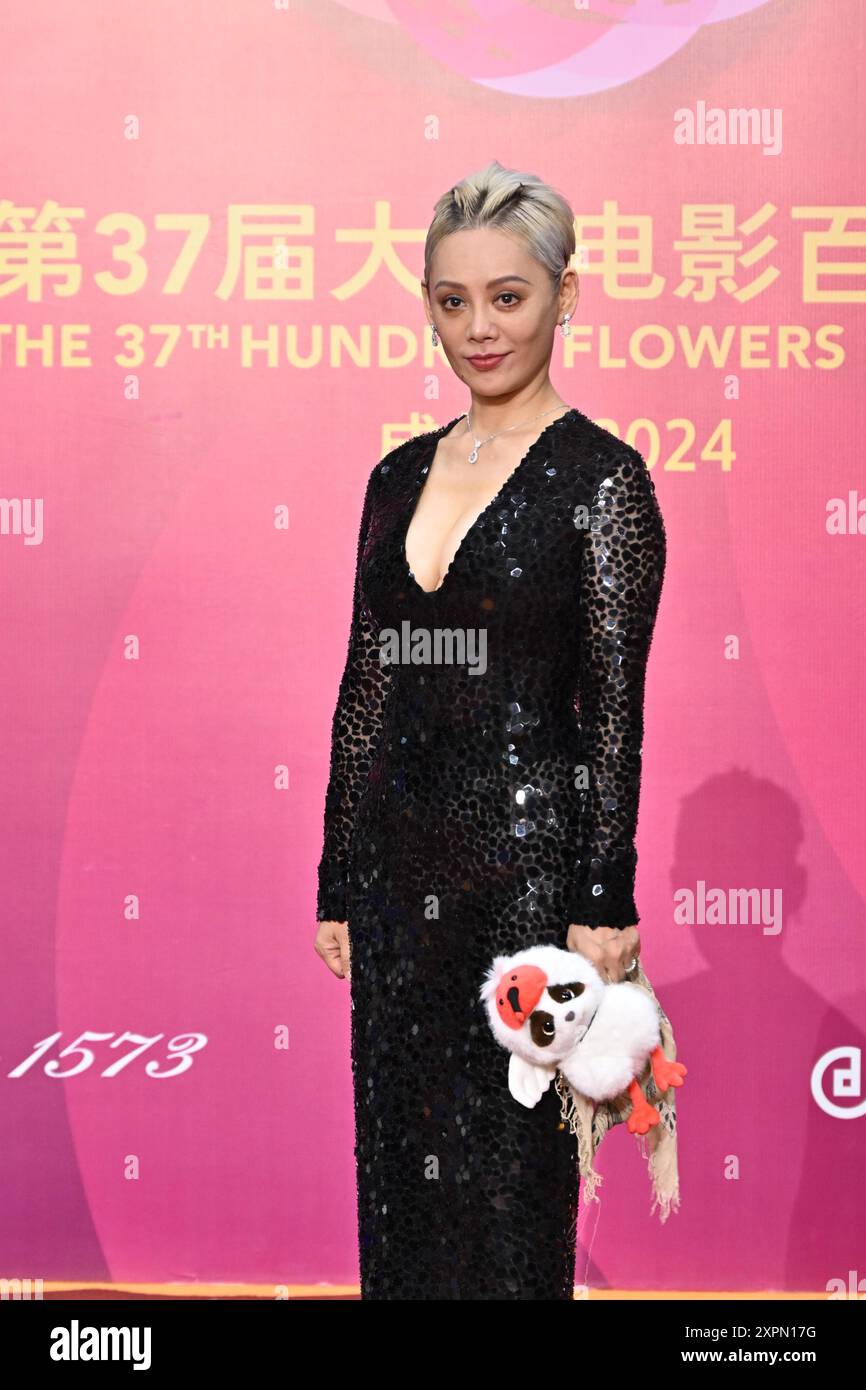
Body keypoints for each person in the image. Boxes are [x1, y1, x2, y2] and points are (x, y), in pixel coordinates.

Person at [314, 160, 666, 1300]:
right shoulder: (395, 475)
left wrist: (601, 901)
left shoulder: (600, 483)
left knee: (506, 1188)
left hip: (523, 879)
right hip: (393, 875)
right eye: (451, 298)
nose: (477, 328)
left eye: (507, 297)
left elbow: (611, 706)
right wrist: (334, 876)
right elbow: (367, 681)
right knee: (399, 1176)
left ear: (565, 297)